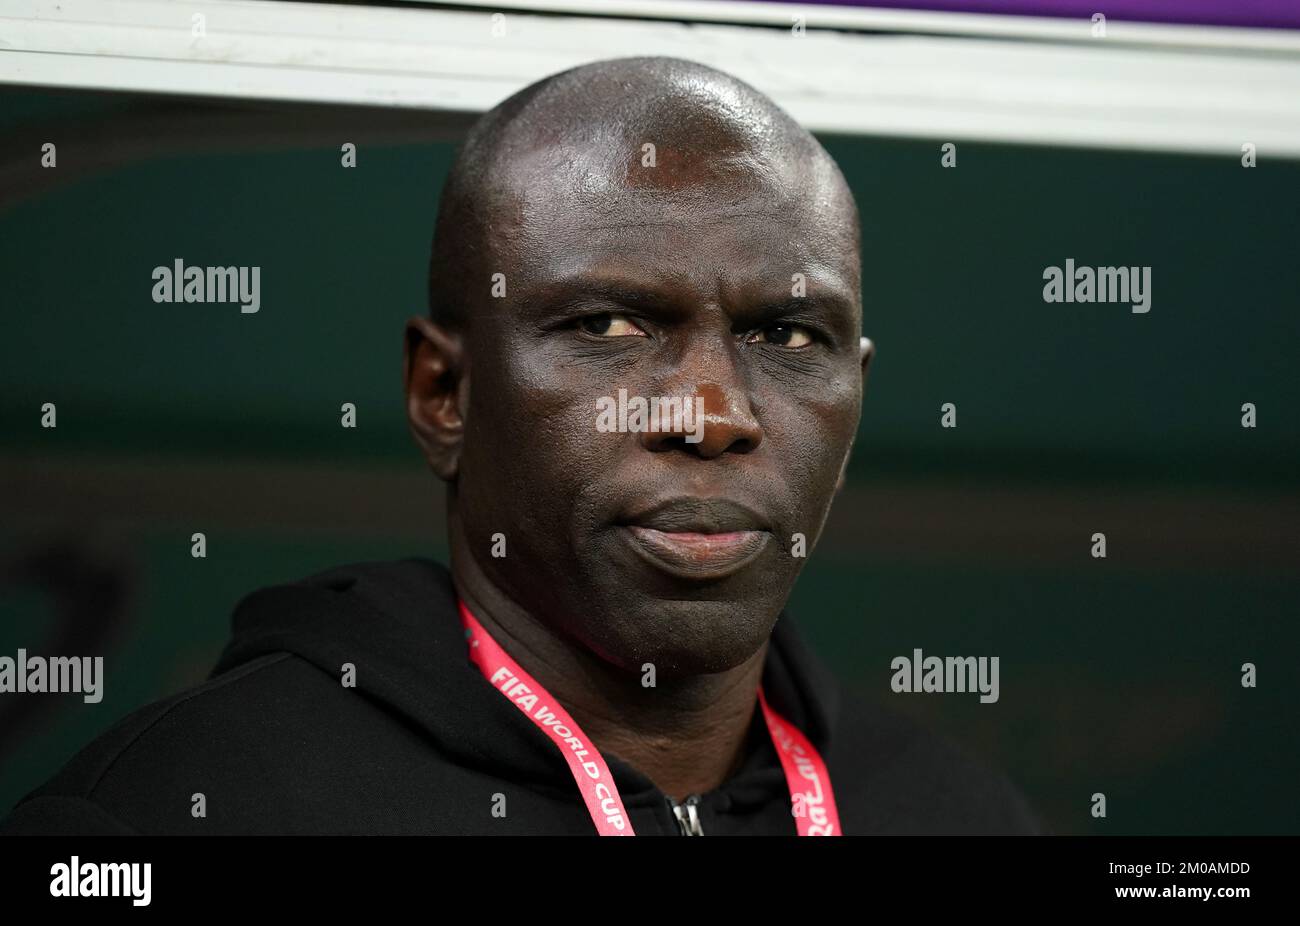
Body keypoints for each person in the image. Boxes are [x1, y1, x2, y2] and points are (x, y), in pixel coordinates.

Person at [2, 56, 1039, 836]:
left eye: (787, 335)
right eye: (607, 327)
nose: (714, 411)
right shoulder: (176, 814)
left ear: (854, 403)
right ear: (442, 394)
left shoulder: (957, 816)